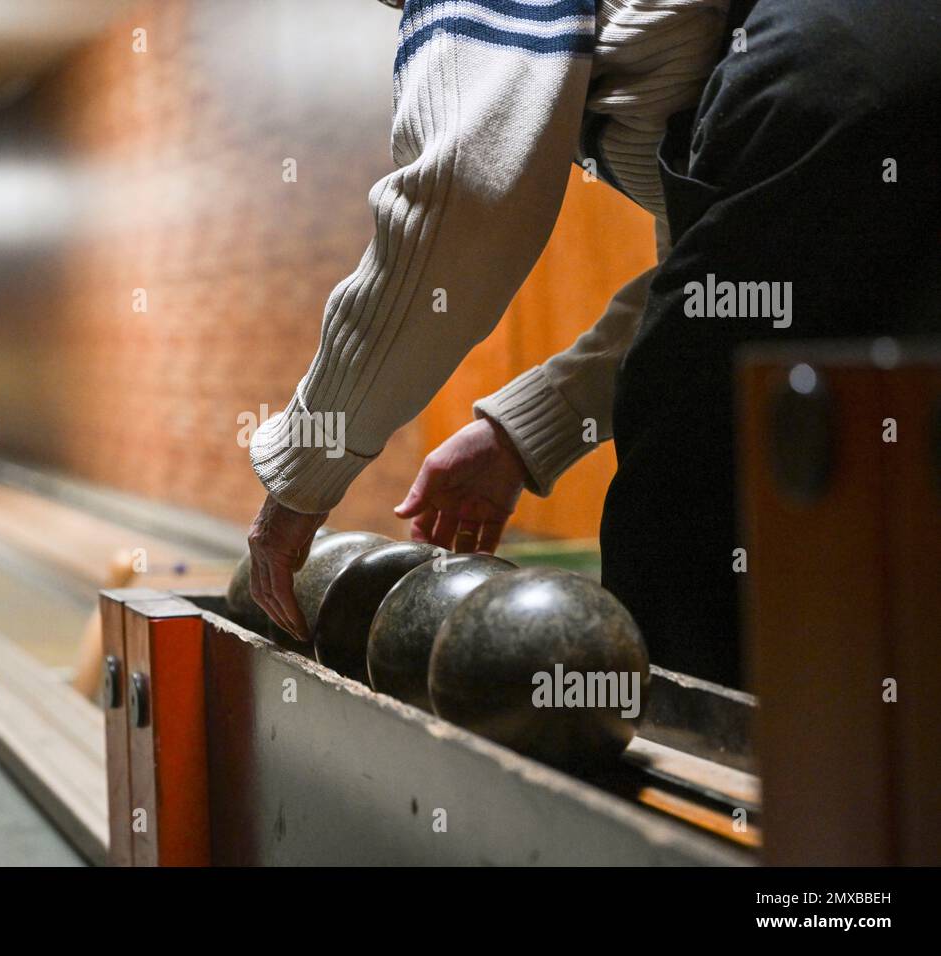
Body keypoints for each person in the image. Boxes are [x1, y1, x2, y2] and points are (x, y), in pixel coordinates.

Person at [246, 0, 940, 688]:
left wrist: (304, 471)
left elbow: (465, 194)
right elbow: (703, 280)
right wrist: (522, 430)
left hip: (841, 75)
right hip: (891, 83)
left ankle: (705, 780)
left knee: (681, 498)